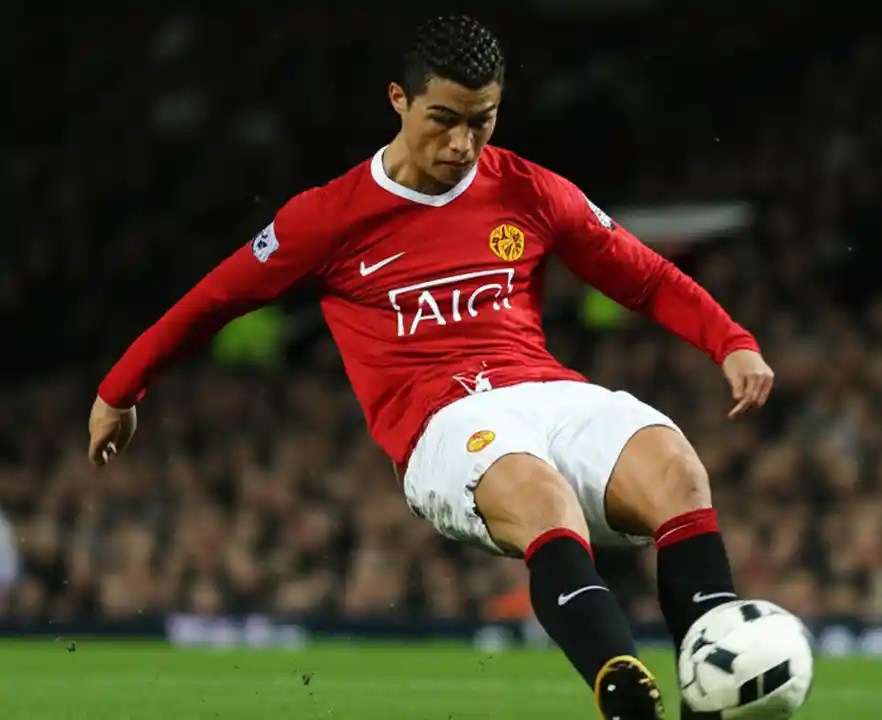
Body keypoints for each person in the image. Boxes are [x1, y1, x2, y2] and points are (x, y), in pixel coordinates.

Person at [87, 15, 773, 720]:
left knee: (677, 471)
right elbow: (215, 299)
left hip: (542, 389)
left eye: (483, 121)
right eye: (443, 119)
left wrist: (730, 340)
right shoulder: (327, 218)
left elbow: (644, 277)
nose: (462, 144)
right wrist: (120, 388)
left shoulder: (528, 191)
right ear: (398, 100)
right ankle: (619, 684)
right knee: (541, 497)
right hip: (439, 423)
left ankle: (709, 697)